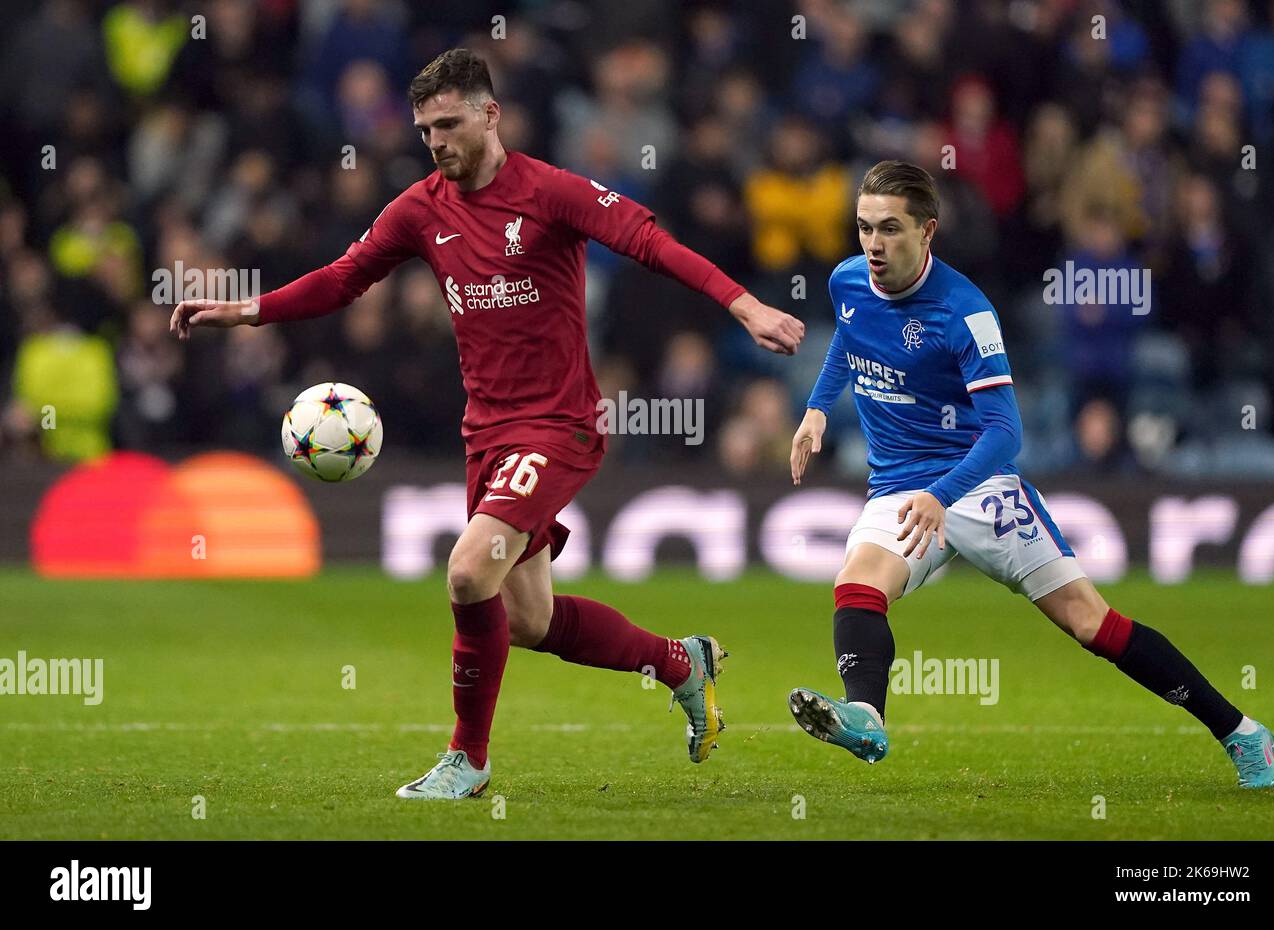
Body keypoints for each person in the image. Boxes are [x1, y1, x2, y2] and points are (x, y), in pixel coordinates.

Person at [171, 48, 806, 799]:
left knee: (468, 570)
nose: (436, 142)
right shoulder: (419, 209)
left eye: (448, 124)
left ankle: (468, 760)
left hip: (559, 424)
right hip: (487, 434)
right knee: (529, 619)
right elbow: (344, 278)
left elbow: (649, 243)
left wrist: (745, 304)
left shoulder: (551, 191)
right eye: (424, 129)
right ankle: (680, 661)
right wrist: (244, 310)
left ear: (489, 114)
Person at [787, 160, 1274, 789]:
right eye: (863, 229)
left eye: (890, 229)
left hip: (976, 482)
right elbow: (851, 339)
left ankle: (1239, 731)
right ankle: (866, 715)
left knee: (1090, 623)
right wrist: (816, 410)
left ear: (927, 231)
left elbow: (1006, 432)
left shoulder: (966, 312)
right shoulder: (848, 281)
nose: (873, 245)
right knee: (857, 586)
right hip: (900, 487)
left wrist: (944, 496)